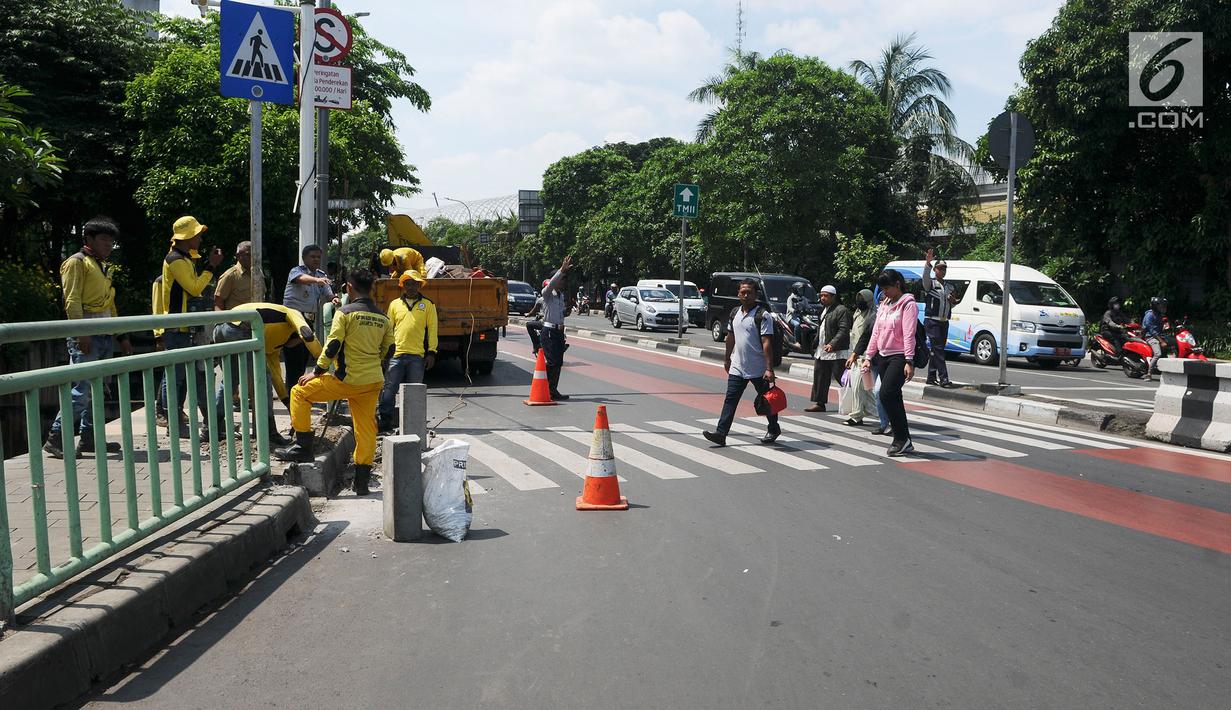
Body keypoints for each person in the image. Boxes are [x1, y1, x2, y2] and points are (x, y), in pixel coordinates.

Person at [277, 269, 394, 497]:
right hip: (372, 382)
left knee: (299, 392)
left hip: (347, 380)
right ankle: (361, 482)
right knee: (366, 430)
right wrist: (375, 365)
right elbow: (389, 348)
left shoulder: (344, 313)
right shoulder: (383, 317)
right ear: (371, 288)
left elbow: (333, 345)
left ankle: (303, 447)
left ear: (349, 287)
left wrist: (317, 372)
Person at [42, 217, 134, 459]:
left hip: (103, 334)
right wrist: (81, 332)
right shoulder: (77, 262)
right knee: (82, 390)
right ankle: (56, 437)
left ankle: (90, 438)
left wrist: (121, 335)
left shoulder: (101, 265)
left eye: (111, 241)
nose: (109, 245)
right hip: (86, 334)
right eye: (103, 240)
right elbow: (71, 300)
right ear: (89, 239)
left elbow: (109, 304)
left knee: (98, 390)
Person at [212, 303, 321, 447]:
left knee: (230, 381)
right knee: (261, 382)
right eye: (299, 342)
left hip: (221, 328)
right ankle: (268, 434)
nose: (296, 345)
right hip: (240, 328)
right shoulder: (293, 313)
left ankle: (212, 429)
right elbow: (306, 331)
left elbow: (276, 376)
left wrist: (289, 404)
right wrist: (322, 363)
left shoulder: (271, 345)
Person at [156, 216, 223, 433]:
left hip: (184, 327)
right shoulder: (175, 259)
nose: (200, 239)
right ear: (188, 237)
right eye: (198, 235)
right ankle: (173, 424)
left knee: (181, 376)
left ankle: (177, 421)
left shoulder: (183, 259)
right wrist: (210, 267)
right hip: (177, 327)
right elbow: (194, 288)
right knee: (174, 377)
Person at [703, 278, 779, 447]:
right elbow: (730, 337)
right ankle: (721, 434)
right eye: (743, 292)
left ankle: (774, 428)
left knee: (766, 400)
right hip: (738, 366)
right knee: (730, 399)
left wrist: (769, 369)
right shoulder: (735, 312)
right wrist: (727, 358)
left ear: (756, 294)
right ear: (738, 294)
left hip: (758, 368)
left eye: (749, 292)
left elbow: (767, 342)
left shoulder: (762, 315)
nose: (745, 295)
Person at [862, 269, 918, 456]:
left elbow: (909, 334)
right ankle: (904, 440)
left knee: (885, 393)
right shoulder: (885, 304)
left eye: (887, 288)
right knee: (893, 397)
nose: (884, 292)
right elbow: (876, 332)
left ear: (897, 285)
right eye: (882, 289)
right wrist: (868, 356)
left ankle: (900, 438)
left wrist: (909, 360)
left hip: (899, 356)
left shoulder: (908, 304)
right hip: (883, 356)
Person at [378, 270, 438, 432]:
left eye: (414, 284)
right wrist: (384, 353)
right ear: (403, 285)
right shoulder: (394, 304)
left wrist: (431, 352)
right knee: (389, 389)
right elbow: (388, 330)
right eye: (408, 283)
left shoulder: (428, 305)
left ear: (419, 285)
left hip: (417, 357)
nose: (411, 287)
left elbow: (432, 330)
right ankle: (384, 421)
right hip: (395, 355)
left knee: (414, 391)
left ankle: (413, 423)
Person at [282, 244, 337, 392]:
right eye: (312, 257)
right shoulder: (297, 271)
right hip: (294, 321)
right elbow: (301, 279)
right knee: (294, 359)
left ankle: (299, 392)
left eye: (318, 257)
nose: (316, 259)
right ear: (304, 258)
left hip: (308, 322)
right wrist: (317, 280)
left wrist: (334, 298)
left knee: (304, 360)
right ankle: (292, 394)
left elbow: (328, 293)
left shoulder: (320, 275)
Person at [804, 285, 852, 413]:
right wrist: (815, 343)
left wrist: (833, 344)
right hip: (822, 350)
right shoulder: (824, 310)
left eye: (826, 296)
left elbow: (843, 330)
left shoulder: (841, 310)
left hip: (836, 351)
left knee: (842, 377)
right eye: (821, 295)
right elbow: (821, 329)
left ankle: (856, 400)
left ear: (833, 297)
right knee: (820, 377)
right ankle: (819, 403)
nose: (823, 298)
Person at [843, 289, 882, 427]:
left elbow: (868, 338)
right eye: (858, 298)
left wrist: (866, 357)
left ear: (869, 301)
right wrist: (853, 354)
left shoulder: (873, 317)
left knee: (859, 387)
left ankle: (857, 416)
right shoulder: (857, 314)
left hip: (866, 357)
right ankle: (880, 413)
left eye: (862, 299)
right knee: (866, 388)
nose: (859, 302)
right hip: (856, 355)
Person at [921, 248, 956, 388]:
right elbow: (925, 277)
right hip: (932, 321)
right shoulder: (930, 284)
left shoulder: (949, 286)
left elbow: (952, 303)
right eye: (940, 268)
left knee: (936, 350)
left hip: (944, 322)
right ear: (935, 270)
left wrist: (953, 301)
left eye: (944, 269)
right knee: (939, 350)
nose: (942, 271)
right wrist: (927, 263)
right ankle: (944, 379)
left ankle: (931, 377)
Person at [541, 257, 574, 401]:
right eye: (561, 279)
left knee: (558, 362)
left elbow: (558, 314)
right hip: (549, 331)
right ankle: (546, 390)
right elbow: (552, 283)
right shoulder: (547, 293)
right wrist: (561, 270)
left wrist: (565, 312)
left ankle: (553, 390)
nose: (563, 282)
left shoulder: (560, 296)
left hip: (558, 332)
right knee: (552, 362)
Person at [214, 241, 262, 311]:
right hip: (237, 317)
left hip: (258, 317)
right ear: (238, 256)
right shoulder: (230, 275)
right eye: (248, 254)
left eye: (255, 254)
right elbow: (218, 303)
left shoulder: (259, 274)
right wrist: (222, 318)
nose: (253, 257)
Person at [1142, 296, 1169, 380]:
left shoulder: (1159, 315)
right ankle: (1149, 374)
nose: (1163, 308)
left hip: (1159, 336)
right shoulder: (1150, 315)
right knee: (1158, 354)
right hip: (1151, 337)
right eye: (1161, 306)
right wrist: (1161, 341)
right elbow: (1152, 331)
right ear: (1155, 306)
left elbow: (1160, 328)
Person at [786, 281, 808, 346]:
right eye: (800, 289)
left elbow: (808, 306)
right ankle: (797, 342)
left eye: (802, 290)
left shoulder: (804, 298)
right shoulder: (791, 298)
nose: (802, 291)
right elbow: (789, 308)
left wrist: (812, 310)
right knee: (797, 325)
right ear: (795, 290)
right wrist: (795, 311)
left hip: (802, 317)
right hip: (792, 317)